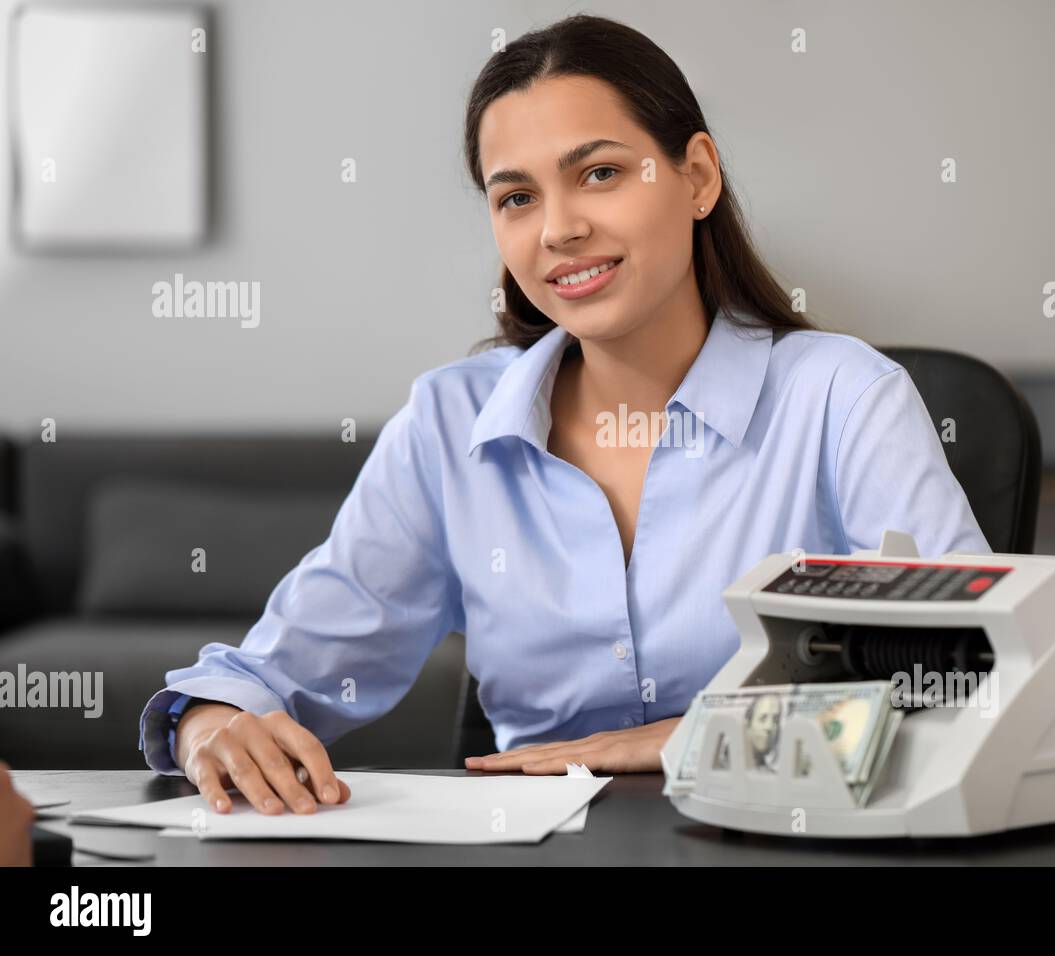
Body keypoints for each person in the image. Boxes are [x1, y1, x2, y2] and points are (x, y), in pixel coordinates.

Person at [139, 13, 990, 815]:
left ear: (696, 176)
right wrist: (211, 725)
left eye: (600, 174)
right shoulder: (449, 424)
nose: (559, 229)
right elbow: (280, 673)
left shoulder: (843, 396)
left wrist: (703, 734)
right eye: (516, 198)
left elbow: (972, 673)